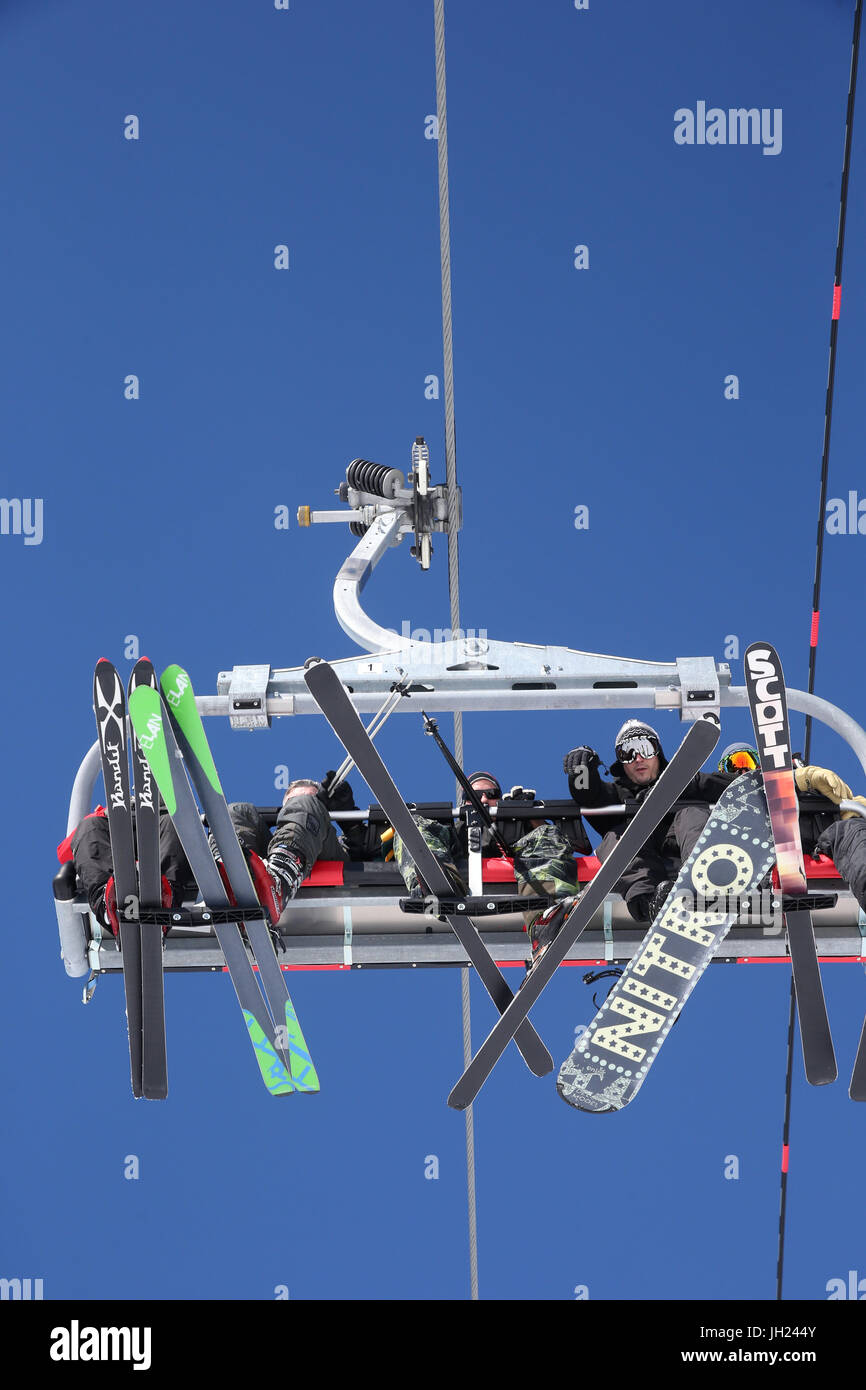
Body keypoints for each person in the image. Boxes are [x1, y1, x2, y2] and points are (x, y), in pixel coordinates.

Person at [60, 774, 368, 934]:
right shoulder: (269, 837)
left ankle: (278, 883)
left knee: (298, 812)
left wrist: (349, 817)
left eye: (299, 801)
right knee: (237, 811)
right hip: (256, 866)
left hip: (313, 863)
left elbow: (370, 856)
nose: (290, 806)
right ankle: (230, 874)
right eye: (288, 800)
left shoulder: (325, 835)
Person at [391, 770, 582, 960]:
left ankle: (546, 921)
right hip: (456, 857)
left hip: (521, 858)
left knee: (546, 833)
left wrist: (529, 813)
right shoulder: (452, 833)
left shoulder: (518, 829)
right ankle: (438, 884)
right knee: (411, 824)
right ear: (464, 802)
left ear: (500, 799)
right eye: (473, 795)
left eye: (491, 795)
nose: (482, 800)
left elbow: (556, 842)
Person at [562, 719, 732, 923]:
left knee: (691, 814)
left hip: (685, 843)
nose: (638, 758)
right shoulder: (617, 795)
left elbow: (733, 787)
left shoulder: (685, 783)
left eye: (645, 748)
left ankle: (705, 882)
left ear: (658, 753)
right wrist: (582, 770)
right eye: (628, 753)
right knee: (617, 836)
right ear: (621, 763)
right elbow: (589, 795)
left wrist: (682, 785)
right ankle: (647, 902)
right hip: (643, 858)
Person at [718, 741, 866, 912]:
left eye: (748, 761)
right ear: (723, 772)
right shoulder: (723, 799)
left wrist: (851, 810)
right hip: (760, 848)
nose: (742, 769)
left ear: (759, 764)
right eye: (733, 764)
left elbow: (847, 803)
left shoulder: (799, 780)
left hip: (811, 839)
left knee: (851, 830)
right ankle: (746, 886)